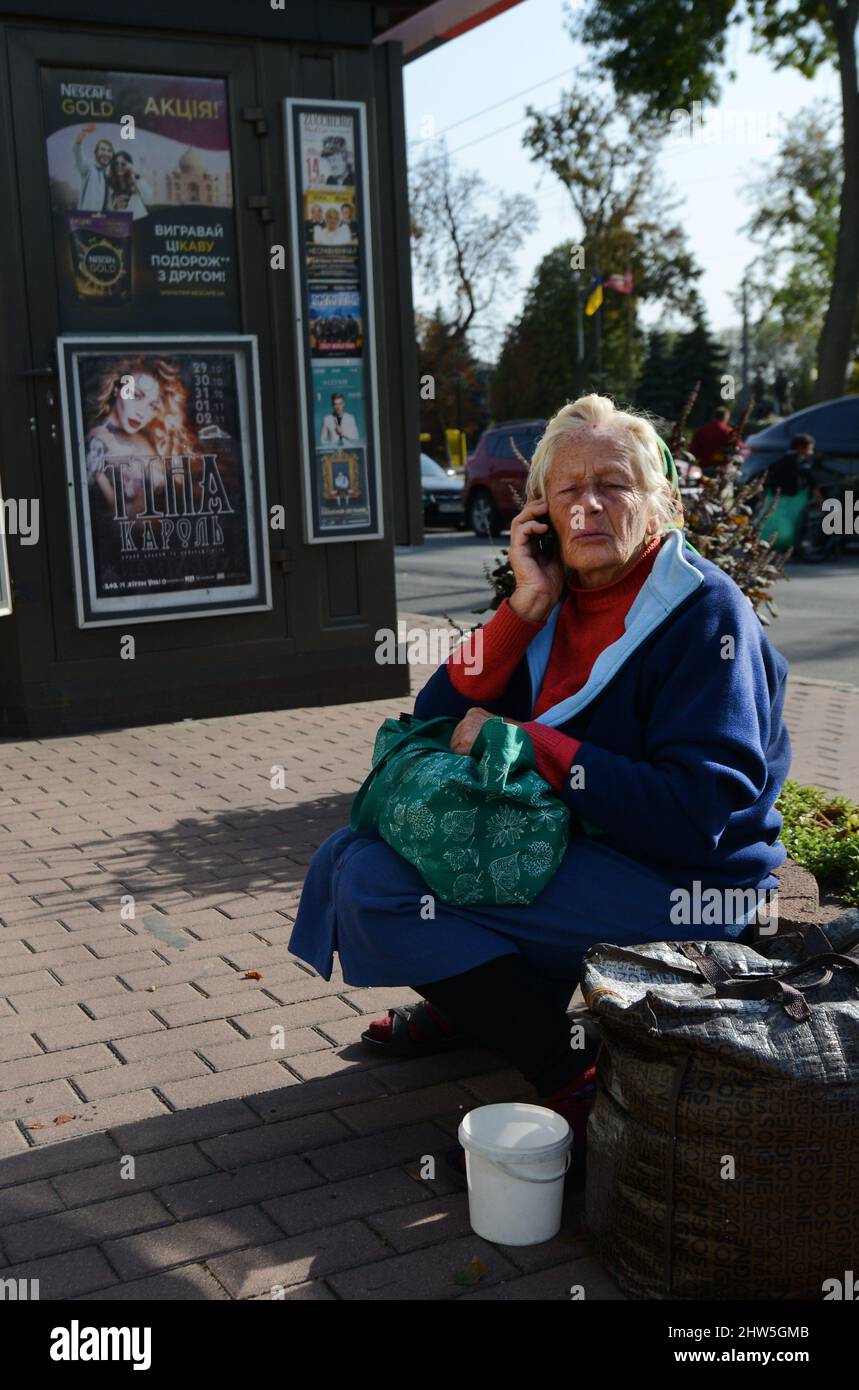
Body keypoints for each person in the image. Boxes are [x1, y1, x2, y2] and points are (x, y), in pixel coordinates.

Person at [289, 393, 791, 1152]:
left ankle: (568, 1074)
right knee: (355, 856)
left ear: (657, 502)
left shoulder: (702, 614)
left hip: (688, 883)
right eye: (567, 491)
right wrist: (522, 605)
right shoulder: (553, 597)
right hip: (587, 851)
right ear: (540, 516)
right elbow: (435, 711)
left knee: (374, 883)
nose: (589, 506)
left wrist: (529, 745)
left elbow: (697, 812)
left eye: (614, 485)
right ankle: (486, 1005)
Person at [85, 355, 198, 518]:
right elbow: (117, 518)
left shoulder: (147, 438)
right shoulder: (98, 442)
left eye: (152, 405)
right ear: (117, 388)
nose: (141, 412)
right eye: (136, 396)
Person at [73, 125, 114, 211]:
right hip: (85, 221)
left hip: (101, 221)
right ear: (96, 152)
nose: (106, 153)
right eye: (102, 149)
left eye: (109, 151)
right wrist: (80, 138)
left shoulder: (106, 176)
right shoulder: (88, 167)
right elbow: (78, 155)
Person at [104, 151, 151, 220]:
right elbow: (107, 207)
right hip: (120, 223)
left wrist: (134, 173)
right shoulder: (110, 184)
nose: (119, 166)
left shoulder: (135, 181)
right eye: (116, 163)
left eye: (123, 164)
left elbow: (148, 195)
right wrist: (115, 205)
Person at [689, 406, 735, 474]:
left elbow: (693, 450)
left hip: (703, 466)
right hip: (721, 469)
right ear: (726, 418)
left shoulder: (703, 429)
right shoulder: (729, 432)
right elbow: (738, 448)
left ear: (714, 416)